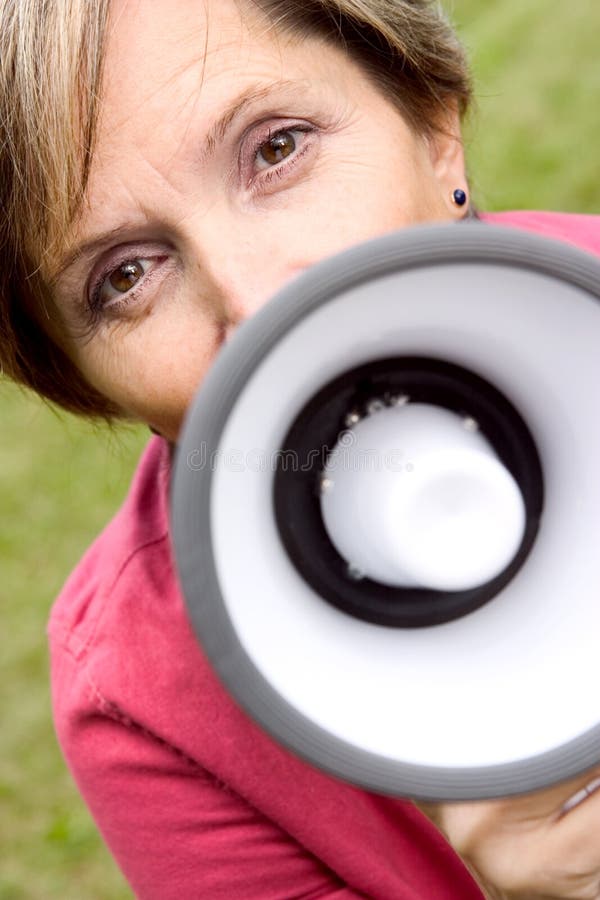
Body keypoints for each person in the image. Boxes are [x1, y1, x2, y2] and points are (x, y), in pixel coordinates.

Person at [1, 1, 599, 897]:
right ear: (86, 382)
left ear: (433, 125)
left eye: (277, 148)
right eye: (125, 276)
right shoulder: (144, 703)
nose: (255, 304)